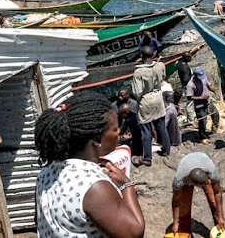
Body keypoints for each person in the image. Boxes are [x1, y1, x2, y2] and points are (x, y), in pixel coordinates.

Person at [34, 91, 146, 237]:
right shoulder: (93, 186)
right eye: (115, 129)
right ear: (98, 139)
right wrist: (126, 184)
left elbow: (38, 220)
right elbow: (134, 233)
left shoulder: (45, 173)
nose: (119, 131)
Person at [131, 46, 170, 166]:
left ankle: (147, 158)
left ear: (141, 56)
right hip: (158, 97)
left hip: (146, 100)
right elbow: (163, 78)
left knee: (146, 130)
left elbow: (137, 92)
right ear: (153, 54)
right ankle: (166, 150)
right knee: (161, 126)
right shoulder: (160, 65)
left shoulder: (138, 72)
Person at [172, 152, 225, 235]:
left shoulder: (211, 172)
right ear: (193, 183)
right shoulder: (179, 180)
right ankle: (185, 233)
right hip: (187, 171)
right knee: (184, 209)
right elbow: (176, 202)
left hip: (202, 161)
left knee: (214, 203)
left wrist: (221, 216)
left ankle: (219, 231)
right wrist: (176, 223)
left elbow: (217, 193)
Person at [186, 68, 214, 144]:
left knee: (212, 116)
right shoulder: (191, 84)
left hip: (206, 102)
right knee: (202, 121)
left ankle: (207, 133)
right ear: (195, 76)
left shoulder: (203, 78)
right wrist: (201, 98)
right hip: (199, 105)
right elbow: (189, 97)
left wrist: (214, 90)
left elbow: (208, 85)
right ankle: (202, 137)